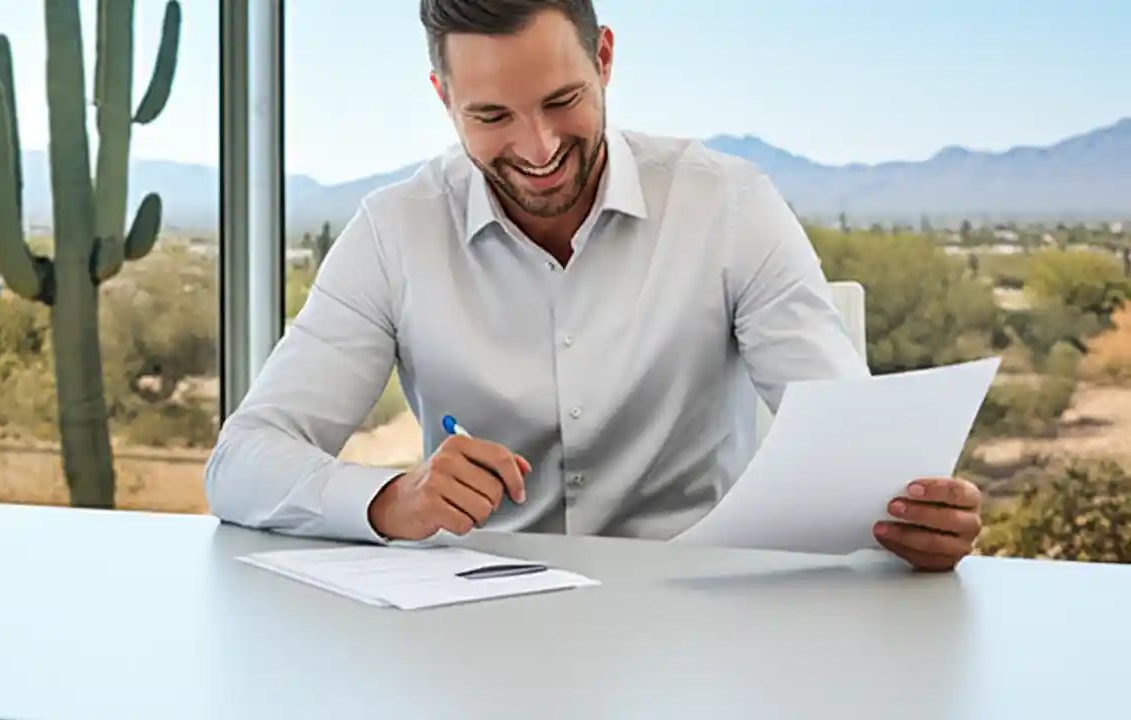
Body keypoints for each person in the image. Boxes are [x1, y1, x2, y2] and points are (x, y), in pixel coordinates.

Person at [205, 0, 983, 571]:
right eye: (492, 116)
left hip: (698, 619)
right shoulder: (393, 231)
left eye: (561, 101)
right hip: (474, 624)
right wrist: (391, 501)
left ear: (604, 58)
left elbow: (853, 452)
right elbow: (241, 462)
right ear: (444, 99)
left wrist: (915, 516)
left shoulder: (729, 203)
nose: (537, 147)